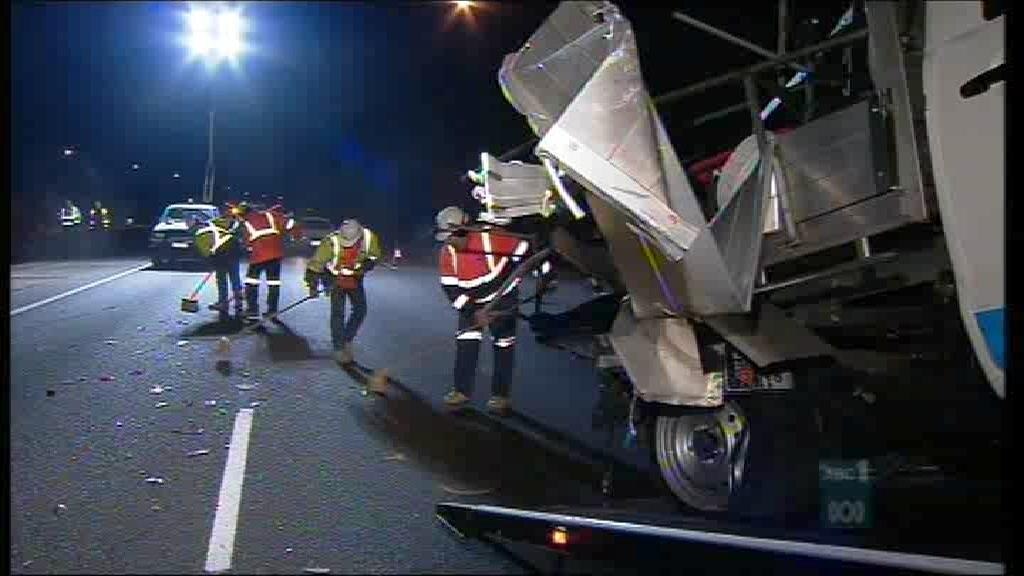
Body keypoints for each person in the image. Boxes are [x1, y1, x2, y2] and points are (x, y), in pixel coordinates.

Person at [435, 205, 531, 416]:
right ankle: (461, 390)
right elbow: (451, 290)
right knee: (466, 344)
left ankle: (500, 395)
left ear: (465, 230)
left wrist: (530, 272)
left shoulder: (492, 238)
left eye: (453, 236)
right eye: (447, 238)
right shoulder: (447, 254)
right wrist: (472, 311)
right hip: (473, 304)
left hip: (503, 301)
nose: (451, 242)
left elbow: (525, 253)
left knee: (503, 346)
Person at [305, 218, 382, 365]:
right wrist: (312, 286)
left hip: (355, 279)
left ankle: (347, 338)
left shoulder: (368, 237)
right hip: (334, 280)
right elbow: (315, 265)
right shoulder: (330, 242)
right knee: (338, 313)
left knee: (360, 310)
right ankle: (339, 348)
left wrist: (365, 265)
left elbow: (374, 255)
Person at [238, 202, 301, 323]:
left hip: (259, 256)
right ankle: (272, 311)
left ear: (244, 214)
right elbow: (290, 224)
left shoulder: (246, 223)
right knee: (274, 283)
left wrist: (248, 248)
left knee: (251, 282)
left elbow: (246, 243)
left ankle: (252, 311)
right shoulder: (271, 216)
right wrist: (295, 235)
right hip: (275, 255)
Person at [193, 204, 244, 322]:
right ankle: (239, 304)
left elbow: (207, 254)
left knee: (221, 279)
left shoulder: (199, 235)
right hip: (233, 250)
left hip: (222, 254)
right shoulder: (216, 223)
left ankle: (223, 303)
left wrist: (212, 263)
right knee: (235, 277)